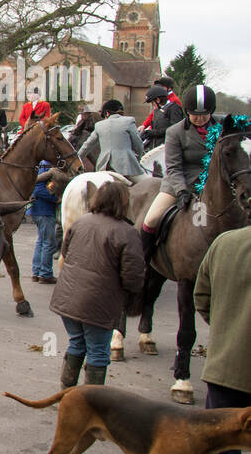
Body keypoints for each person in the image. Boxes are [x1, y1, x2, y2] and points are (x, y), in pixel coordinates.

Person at [50, 180, 144, 386]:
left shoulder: (80, 222)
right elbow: (133, 276)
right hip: (98, 304)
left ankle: (66, 393)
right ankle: (91, 403)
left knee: (76, 343)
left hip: (68, 299)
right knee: (98, 352)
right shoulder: (127, 232)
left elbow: (65, 253)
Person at [192, 223, 251, 454]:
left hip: (225, 368)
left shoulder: (224, 241)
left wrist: (228, 332)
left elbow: (201, 297)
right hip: (176, 182)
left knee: (212, 450)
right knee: (152, 224)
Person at [140, 85, 218, 262]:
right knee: (151, 219)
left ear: (211, 111)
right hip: (180, 182)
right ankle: (143, 261)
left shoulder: (221, 131)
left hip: (213, 184)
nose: (199, 118)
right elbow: (173, 167)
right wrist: (181, 190)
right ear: (187, 111)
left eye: (204, 115)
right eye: (194, 114)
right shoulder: (175, 132)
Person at [78, 98, 146, 179]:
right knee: (148, 185)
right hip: (126, 168)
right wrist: (136, 160)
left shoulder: (99, 125)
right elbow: (138, 145)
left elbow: (87, 146)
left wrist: (78, 159)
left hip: (104, 167)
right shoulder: (129, 121)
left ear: (107, 113)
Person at [29, 160, 59, 284]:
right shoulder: (46, 165)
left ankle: (36, 273)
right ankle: (45, 274)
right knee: (49, 242)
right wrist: (56, 198)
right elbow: (39, 189)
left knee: (41, 241)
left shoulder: (42, 164)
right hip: (44, 210)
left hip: (38, 210)